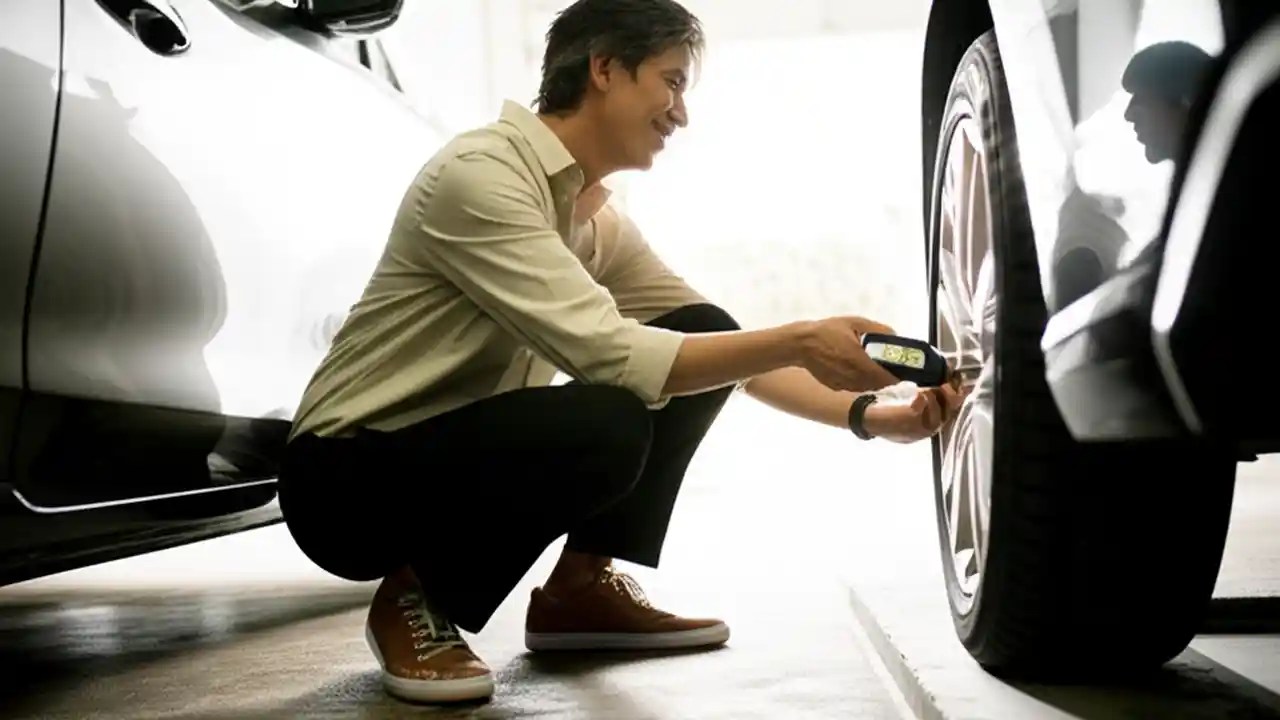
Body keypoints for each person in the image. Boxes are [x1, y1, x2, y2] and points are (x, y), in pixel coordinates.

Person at [276, 0, 963, 705]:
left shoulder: (592, 218)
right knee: (608, 421)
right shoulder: (481, 176)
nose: (680, 112)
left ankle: (578, 591)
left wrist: (872, 416)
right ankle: (417, 598)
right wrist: (802, 336)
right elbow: (618, 358)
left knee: (700, 324)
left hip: (451, 460)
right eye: (671, 82)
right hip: (345, 480)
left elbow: (721, 354)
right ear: (605, 68)